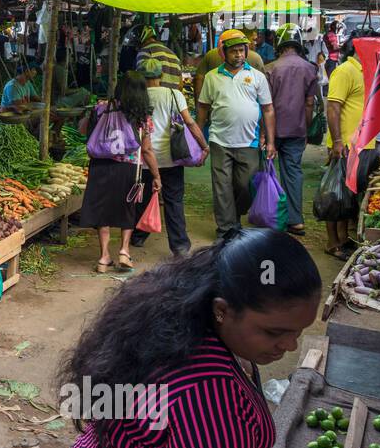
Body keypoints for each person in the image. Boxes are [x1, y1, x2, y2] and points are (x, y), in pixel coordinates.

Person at [49, 229, 321, 448]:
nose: (290, 346)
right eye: (274, 332)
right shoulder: (210, 398)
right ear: (222, 310)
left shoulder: (178, 314)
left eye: (299, 331)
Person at [80, 72, 162, 272]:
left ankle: (104, 257)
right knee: (128, 208)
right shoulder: (142, 116)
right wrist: (157, 176)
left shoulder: (102, 108)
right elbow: (148, 150)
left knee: (103, 211)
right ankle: (124, 251)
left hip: (101, 166)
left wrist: (92, 113)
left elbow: (83, 131)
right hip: (129, 168)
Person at [197, 30, 277, 236]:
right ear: (224, 53)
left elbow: (268, 109)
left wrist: (270, 142)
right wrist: (198, 138)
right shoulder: (212, 77)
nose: (238, 55)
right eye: (234, 51)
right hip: (219, 140)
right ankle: (227, 229)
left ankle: (236, 213)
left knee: (246, 185)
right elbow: (203, 108)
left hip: (249, 141)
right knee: (221, 186)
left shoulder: (256, 77)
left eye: (241, 51)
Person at [135, 59, 207, 256]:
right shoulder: (174, 94)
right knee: (174, 200)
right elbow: (190, 123)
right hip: (171, 157)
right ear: (161, 76)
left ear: (142, 76)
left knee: (143, 197)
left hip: (144, 158)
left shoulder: (137, 96)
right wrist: (203, 146)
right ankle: (179, 246)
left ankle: (138, 236)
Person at [324, 28, 380, 259]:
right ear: (360, 46)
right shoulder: (345, 71)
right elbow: (333, 107)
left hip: (363, 144)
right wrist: (337, 141)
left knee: (349, 195)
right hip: (346, 144)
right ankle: (332, 242)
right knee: (336, 195)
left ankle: (343, 238)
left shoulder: (368, 71)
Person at [265, 26, 317, 236]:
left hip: (271, 129)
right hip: (297, 129)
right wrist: (305, 128)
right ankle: (295, 220)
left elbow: (265, 105)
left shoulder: (270, 68)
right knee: (293, 173)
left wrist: (264, 135)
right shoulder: (310, 68)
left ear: (279, 44)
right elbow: (310, 103)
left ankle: (270, 216)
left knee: (267, 172)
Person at [192, 30, 266, 111]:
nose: (238, 55)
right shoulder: (256, 58)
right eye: (253, 40)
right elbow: (263, 97)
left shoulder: (210, 55)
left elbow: (198, 80)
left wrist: (199, 108)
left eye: (241, 50)